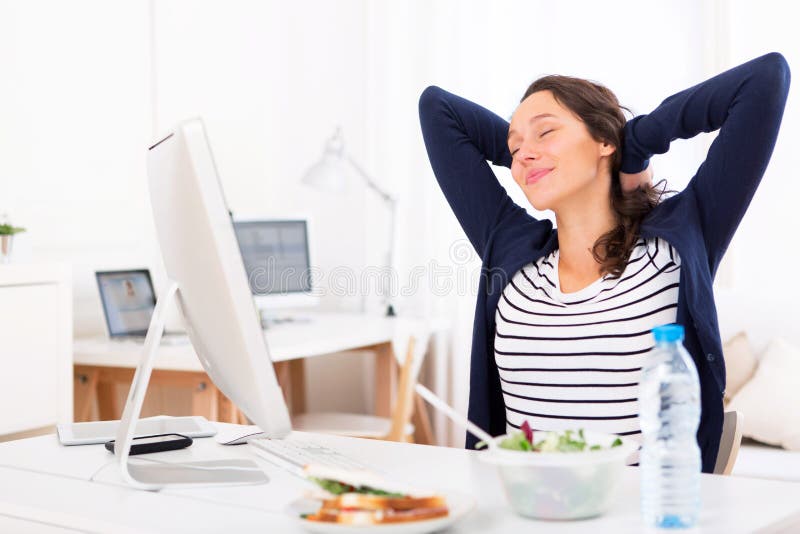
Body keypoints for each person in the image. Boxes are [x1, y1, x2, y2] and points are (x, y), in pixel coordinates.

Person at [418, 52, 790, 473]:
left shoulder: (678, 240)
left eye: (545, 131)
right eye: (514, 147)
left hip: (641, 505)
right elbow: (437, 108)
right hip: (522, 503)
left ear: (604, 141)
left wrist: (636, 144)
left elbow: (766, 79)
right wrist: (537, 157)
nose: (522, 154)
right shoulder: (510, 249)